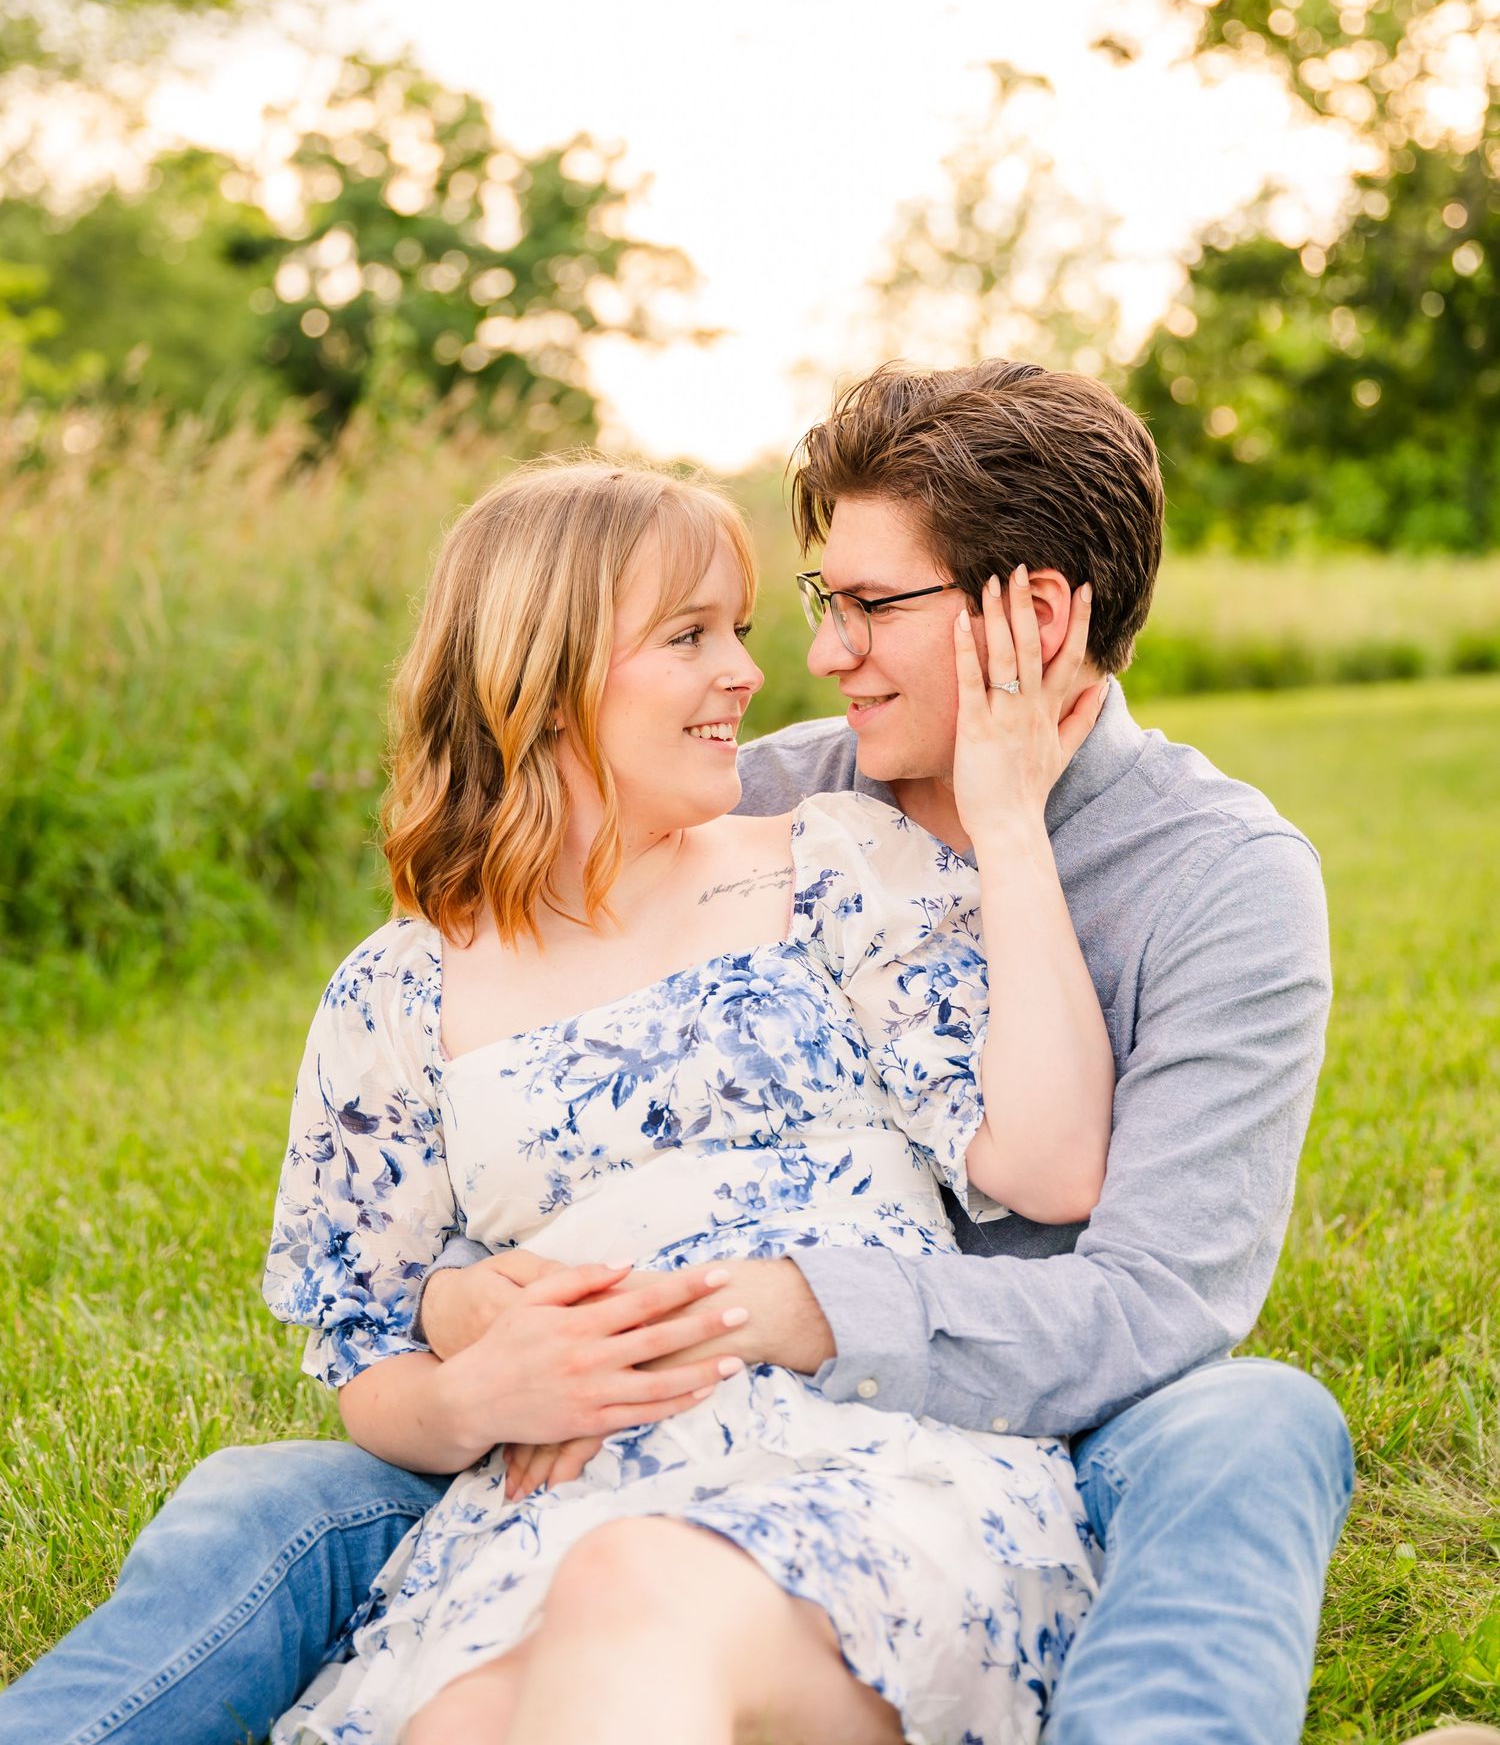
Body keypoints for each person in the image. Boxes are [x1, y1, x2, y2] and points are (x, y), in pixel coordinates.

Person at [0, 361, 1354, 1745]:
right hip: (601, 1428)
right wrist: (466, 1319)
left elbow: (1144, 1304)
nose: (805, 662)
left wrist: (780, 1308)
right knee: (271, 1514)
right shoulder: (755, 797)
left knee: (1250, 1424)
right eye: (810, 606)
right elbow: (507, 1044)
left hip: (987, 1429)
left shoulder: (1218, 881)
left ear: (1038, 616)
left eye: (866, 606)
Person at [260, 453, 1113, 1743]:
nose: (751, 674)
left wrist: (1006, 825)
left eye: (741, 630)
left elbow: (1049, 1168)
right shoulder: (394, 995)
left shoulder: (835, 865)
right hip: (550, 1507)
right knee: (457, 1723)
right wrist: (481, 1399)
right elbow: (369, 1350)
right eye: (690, 636)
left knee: (639, 1589)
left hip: (865, 1460)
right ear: (537, 680)